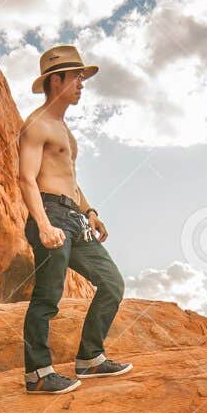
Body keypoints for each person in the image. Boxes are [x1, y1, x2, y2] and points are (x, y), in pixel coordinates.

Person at [17, 43, 132, 394]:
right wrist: (43, 224)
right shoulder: (37, 125)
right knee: (48, 297)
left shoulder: (65, 131)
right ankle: (37, 374)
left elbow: (70, 181)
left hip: (74, 218)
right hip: (50, 215)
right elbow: (26, 178)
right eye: (76, 77)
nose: (81, 84)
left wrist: (90, 212)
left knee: (112, 283)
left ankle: (90, 358)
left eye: (83, 77)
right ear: (56, 81)